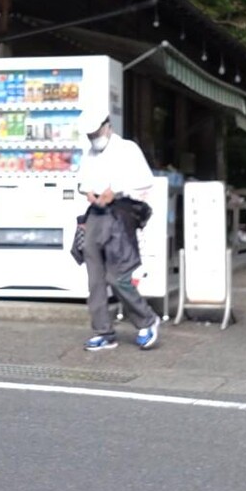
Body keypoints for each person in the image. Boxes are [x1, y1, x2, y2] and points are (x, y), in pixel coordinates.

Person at [74, 106, 160, 351]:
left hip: (120, 215)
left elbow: (145, 180)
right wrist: (88, 192)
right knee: (95, 279)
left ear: (107, 125)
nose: (94, 138)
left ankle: (146, 320)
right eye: (90, 135)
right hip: (96, 215)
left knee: (118, 276)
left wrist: (117, 191)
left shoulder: (127, 149)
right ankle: (103, 330)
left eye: (96, 132)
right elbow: (82, 182)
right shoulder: (89, 153)